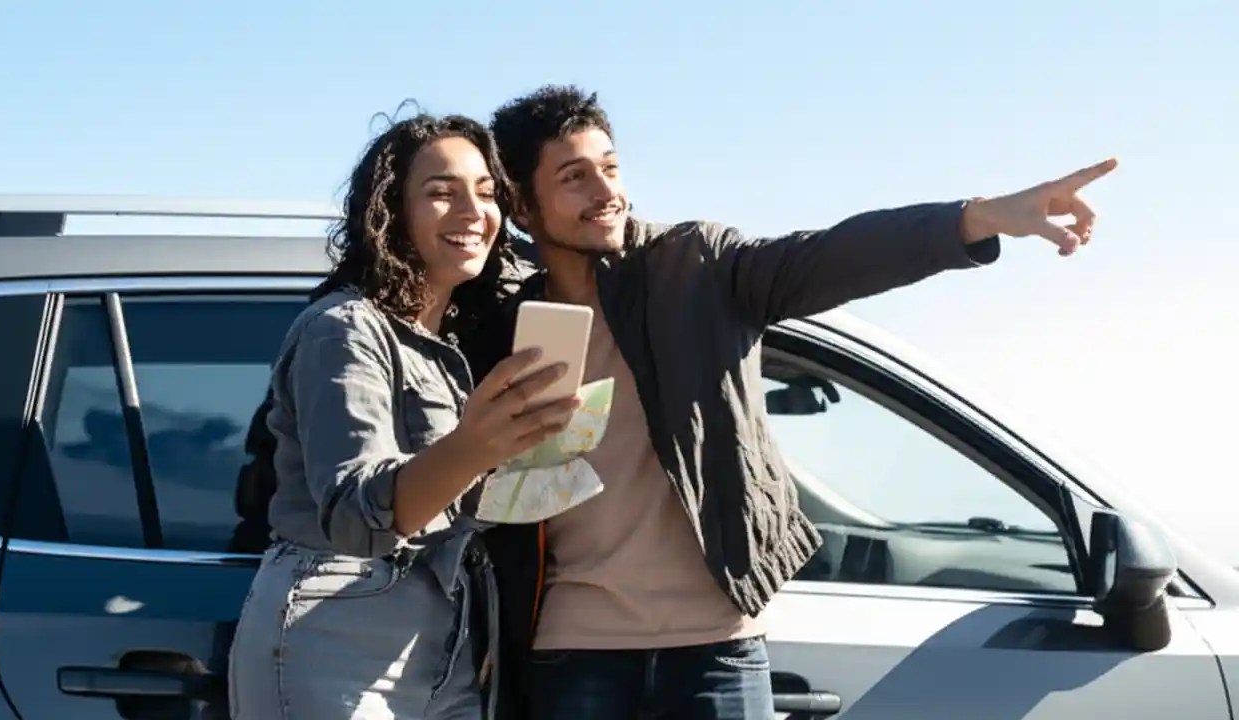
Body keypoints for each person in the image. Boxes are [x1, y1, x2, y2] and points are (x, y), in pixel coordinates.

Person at [463, 85, 1118, 720]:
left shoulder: (694, 267)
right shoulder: (506, 325)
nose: (607, 193)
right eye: (575, 177)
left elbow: (832, 256)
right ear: (522, 206)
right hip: (572, 655)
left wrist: (976, 218)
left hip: (716, 646)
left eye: (610, 168)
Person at [227, 112, 580, 720]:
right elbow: (355, 515)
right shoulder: (343, 330)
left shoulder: (452, 346)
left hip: (452, 640)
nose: (473, 212)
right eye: (442, 193)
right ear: (391, 211)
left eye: (487, 192)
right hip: (337, 625)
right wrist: (475, 446)